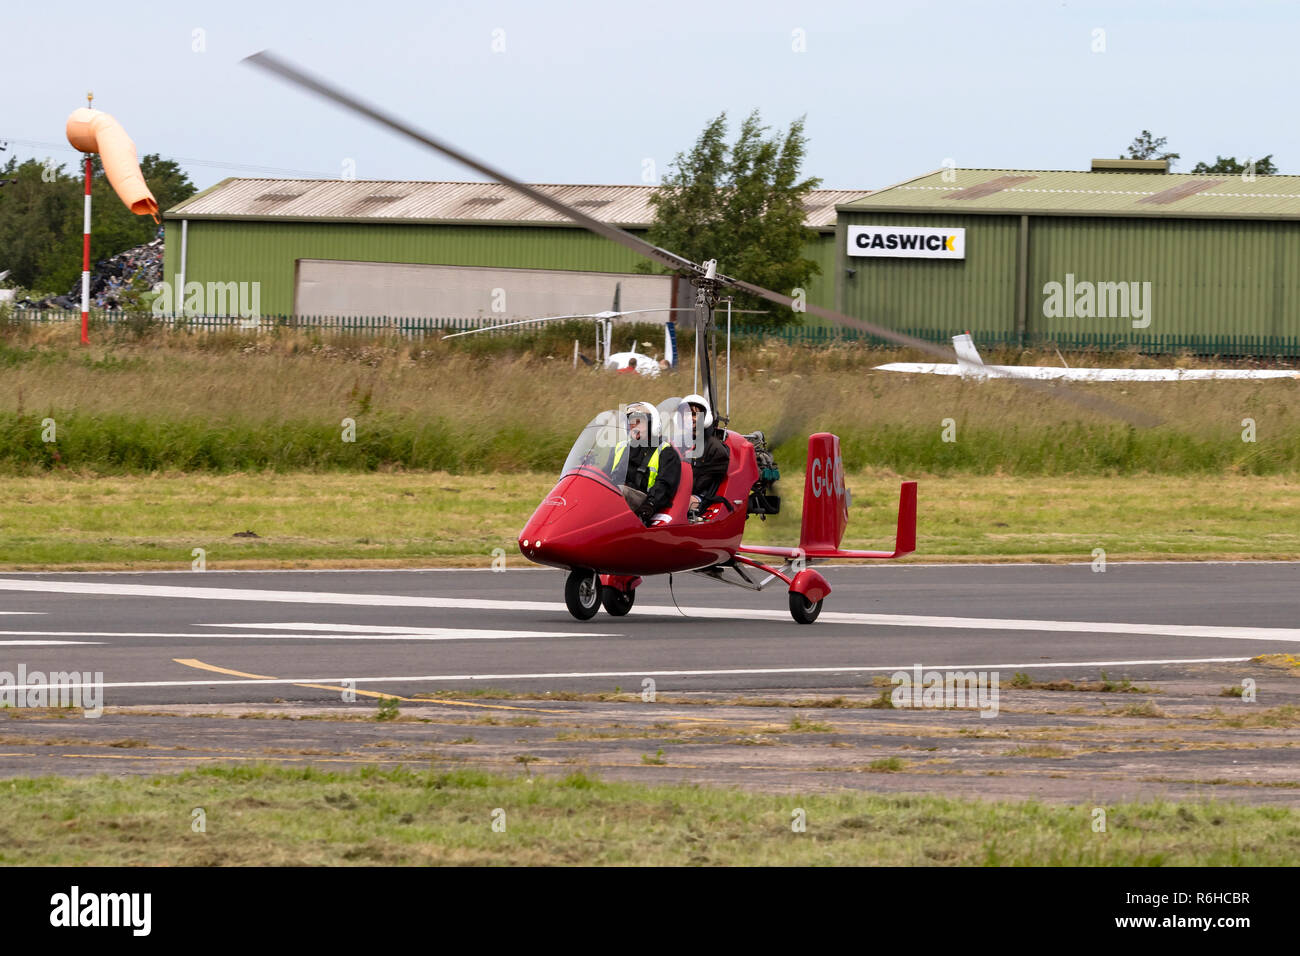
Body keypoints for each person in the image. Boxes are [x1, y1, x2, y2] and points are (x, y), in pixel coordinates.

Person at [605, 401, 681, 526]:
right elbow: (604, 475)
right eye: (631, 422)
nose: (634, 426)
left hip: (644, 500)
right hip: (616, 498)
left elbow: (663, 486)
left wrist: (650, 505)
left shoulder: (666, 452)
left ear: (652, 424)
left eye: (639, 422)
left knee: (618, 491)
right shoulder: (620, 447)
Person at [677, 393, 730, 516]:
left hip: (698, 498)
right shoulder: (676, 443)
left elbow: (698, 484)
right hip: (676, 493)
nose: (690, 418)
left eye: (694, 414)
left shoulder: (715, 449)